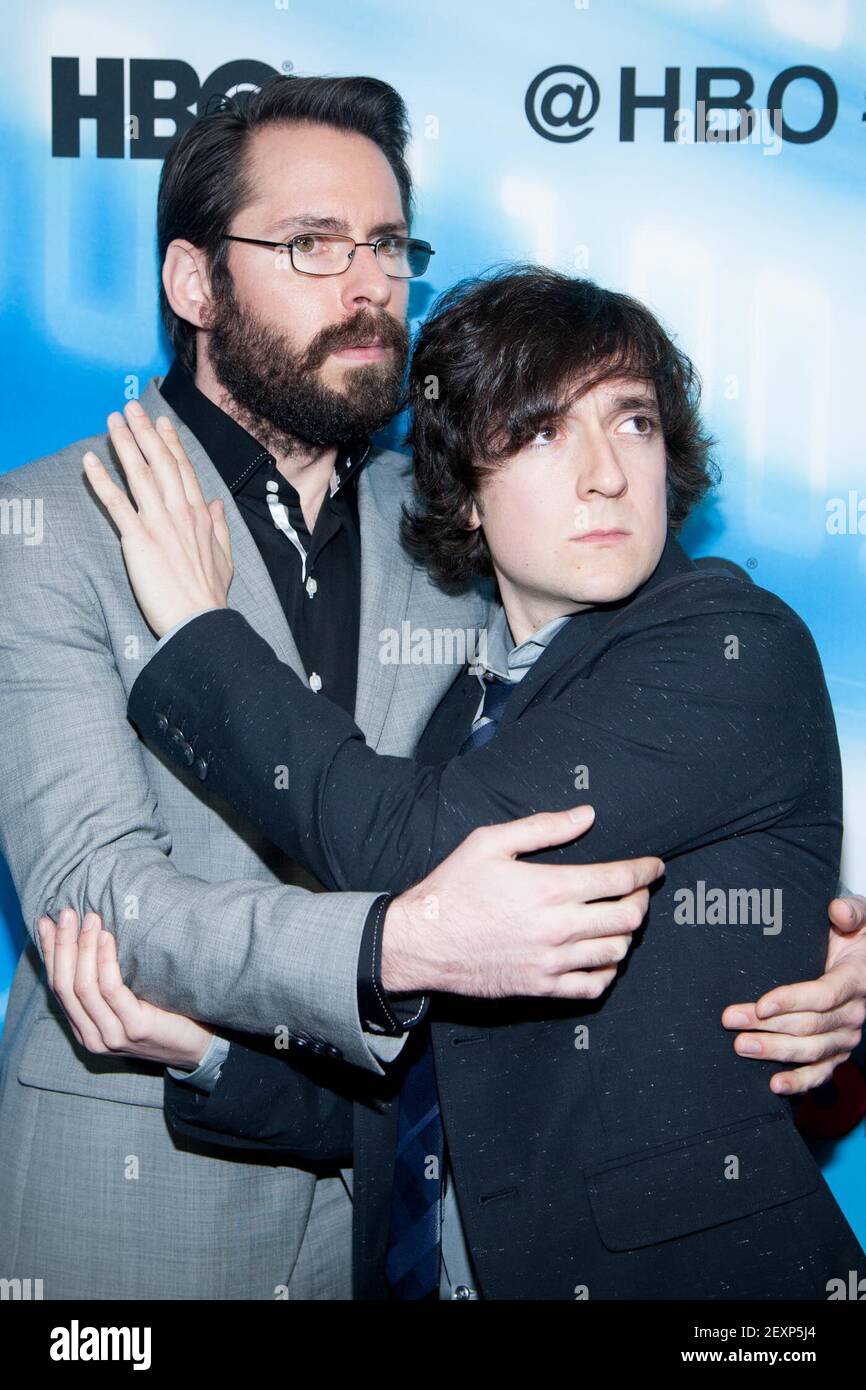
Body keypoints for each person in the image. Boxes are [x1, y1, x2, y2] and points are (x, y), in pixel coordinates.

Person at [42, 268, 866, 1299]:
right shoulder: (457, 717)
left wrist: (200, 629)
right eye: (538, 434)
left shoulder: (726, 643)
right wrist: (205, 1050)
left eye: (633, 423)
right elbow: (442, 1096)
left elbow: (406, 845)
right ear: (464, 496)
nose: (605, 474)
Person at [0, 76, 669, 1301]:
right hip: (135, 1210)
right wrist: (402, 941)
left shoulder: (454, 527)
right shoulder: (45, 525)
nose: (369, 287)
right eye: (311, 245)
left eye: (386, 245)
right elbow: (105, 900)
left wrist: (783, 952)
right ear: (194, 285)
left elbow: (584, 787)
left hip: (401, 1204)